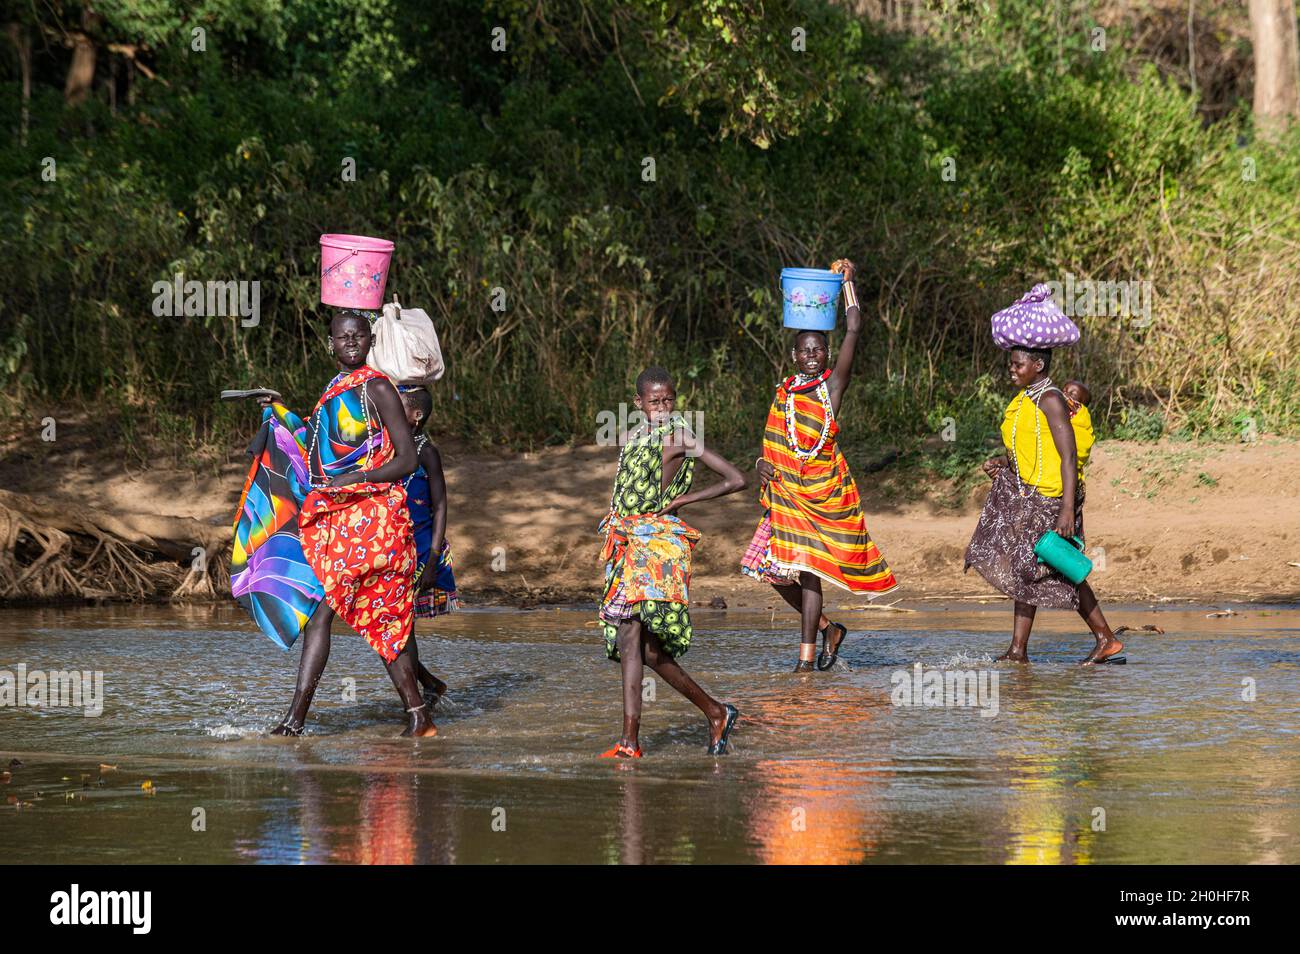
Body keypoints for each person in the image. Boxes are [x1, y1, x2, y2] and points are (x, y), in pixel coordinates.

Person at [234, 310, 435, 736]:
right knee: (340, 616)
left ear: (369, 341)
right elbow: (317, 453)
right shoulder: (332, 391)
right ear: (331, 343)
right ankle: (414, 713)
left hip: (376, 523)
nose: (350, 343)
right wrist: (279, 414)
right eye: (342, 337)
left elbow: (407, 458)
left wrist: (358, 478)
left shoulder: (378, 388)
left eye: (358, 336)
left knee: (374, 615)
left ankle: (413, 713)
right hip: (341, 524)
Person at [742, 258, 898, 672]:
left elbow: (854, 328)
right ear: (794, 355)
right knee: (768, 571)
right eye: (805, 350)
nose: (812, 355)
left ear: (827, 354)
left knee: (809, 572)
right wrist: (760, 463)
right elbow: (771, 441)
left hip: (824, 492)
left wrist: (849, 283)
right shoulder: (784, 392)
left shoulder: (832, 386)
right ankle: (829, 629)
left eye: (819, 349)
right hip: (788, 494)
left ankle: (805, 660)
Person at [964, 285, 1123, 665]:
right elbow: (1033, 449)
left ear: (1038, 365)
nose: (1012, 370)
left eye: (1017, 364)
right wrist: (1003, 464)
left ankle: (1105, 637)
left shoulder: (1051, 399)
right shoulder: (1025, 401)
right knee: (1027, 568)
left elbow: (1068, 455)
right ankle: (1019, 650)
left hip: (1051, 499)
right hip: (1030, 495)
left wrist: (1067, 510)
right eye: (1011, 364)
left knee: (1058, 566)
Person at [597, 367, 745, 758]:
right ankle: (714, 712)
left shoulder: (681, 437)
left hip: (660, 543)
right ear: (638, 404)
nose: (662, 408)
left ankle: (634, 739)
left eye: (669, 400)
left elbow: (735, 479)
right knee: (639, 647)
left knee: (635, 638)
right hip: (627, 542)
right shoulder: (630, 439)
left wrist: (682, 502)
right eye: (654, 401)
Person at [398, 386, 458, 706]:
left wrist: (434, 558)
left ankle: (419, 700)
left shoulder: (426, 452)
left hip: (420, 552)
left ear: (417, 416)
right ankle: (428, 685)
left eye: (400, 407)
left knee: (400, 627)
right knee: (393, 626)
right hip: (393, 548)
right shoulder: (390, 448)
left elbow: (441, 504)